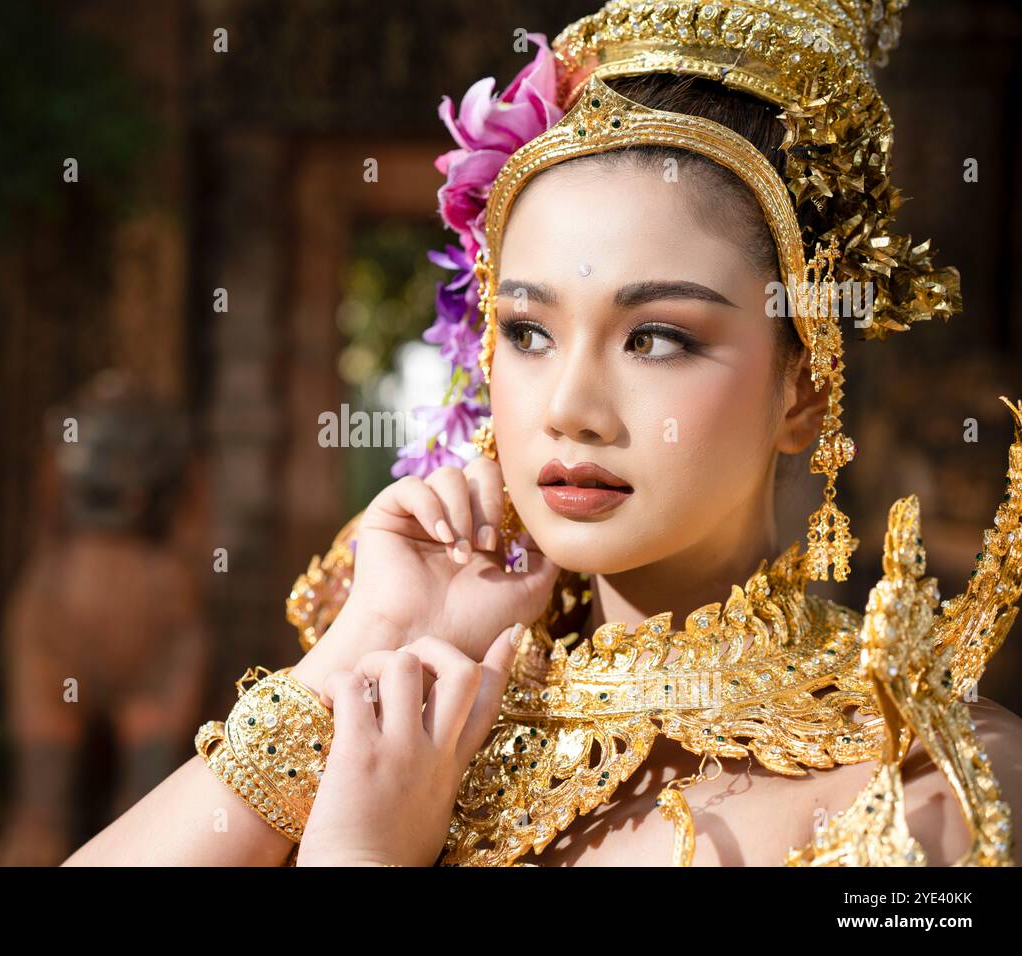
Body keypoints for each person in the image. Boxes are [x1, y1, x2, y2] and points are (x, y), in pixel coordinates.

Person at [64, 0, 1022, 867]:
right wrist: (362, 647)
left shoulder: (931, 785)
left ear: (803, 389)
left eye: (656, 337)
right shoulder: (421, 719)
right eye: (528, 331)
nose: (569, 406)